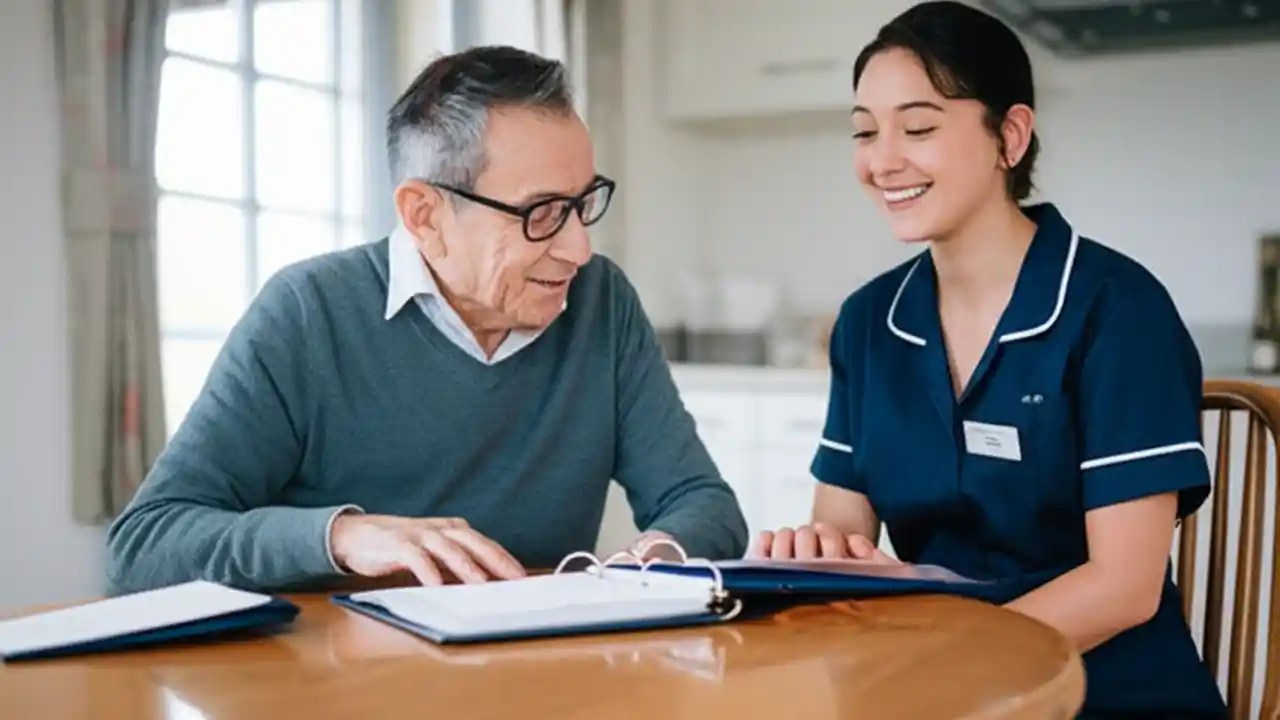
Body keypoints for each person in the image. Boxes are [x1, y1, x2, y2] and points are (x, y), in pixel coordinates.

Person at [107, 46, 747, 594]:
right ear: (424, 215)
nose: (579, 249)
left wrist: (654, 560)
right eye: (542, 213)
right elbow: (144, 545)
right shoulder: (308, 311)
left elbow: (703, 504)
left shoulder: (602, 305)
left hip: (541, 677)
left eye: (583, 205)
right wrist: (342, 535)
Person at [753, 3, 1226, 717]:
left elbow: (1123, 588)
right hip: (936, 685)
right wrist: (815, 556)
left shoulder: (1116, 309)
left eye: (918, 128)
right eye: (864, 131)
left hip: (1105, 694)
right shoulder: (867, 324)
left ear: (1010, 135)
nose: (883, 160)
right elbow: (846, 539)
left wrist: (952, 653)